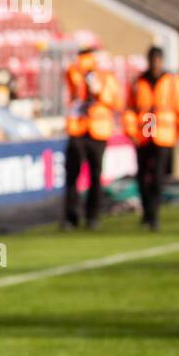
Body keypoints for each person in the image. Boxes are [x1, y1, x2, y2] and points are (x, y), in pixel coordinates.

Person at [124, 45, 179, 231]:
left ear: (161, 61)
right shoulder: (139, 81)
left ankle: (153, 215)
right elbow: (130, 108)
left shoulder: (171, 81)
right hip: (146, 132)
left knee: (158, 177)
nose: (155, 63)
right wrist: (131, 131)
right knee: (143, 175)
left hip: (163, 134)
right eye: (152, 59)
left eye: (157, 60)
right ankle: (147, 213)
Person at [63, 46, 121, 231]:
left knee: (94, 176)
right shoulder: (75, 72)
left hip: (97, 130)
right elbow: (72, 88)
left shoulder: (105, 77)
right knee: (74, 174)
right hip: (78, 128)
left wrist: (98, 89)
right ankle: (73, 217)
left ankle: (92, 216)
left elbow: (115, 101)